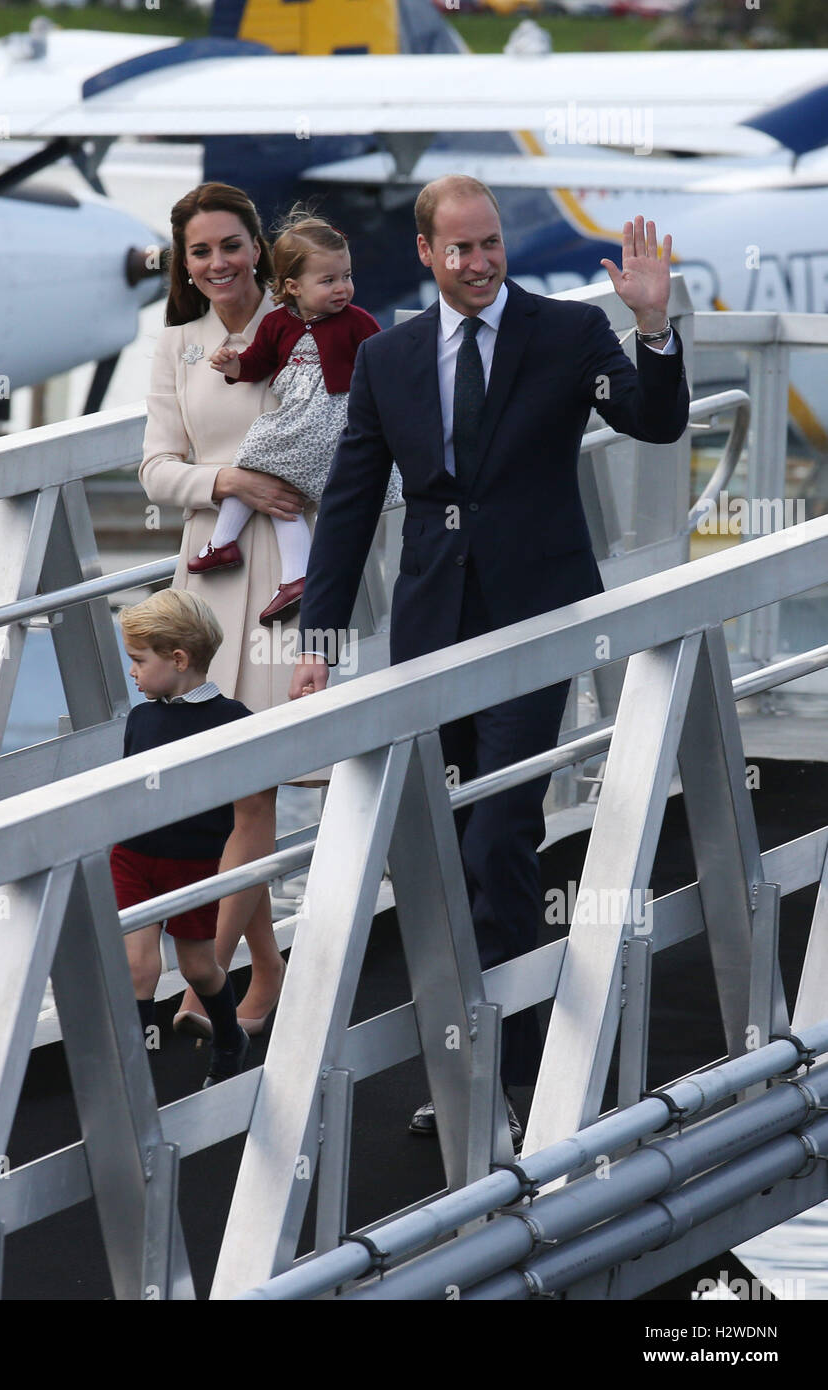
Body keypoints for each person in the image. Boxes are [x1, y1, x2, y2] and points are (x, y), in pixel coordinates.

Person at [290, 176, 689, 1138]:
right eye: (458, 250)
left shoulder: (566, 333)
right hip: (431, 632)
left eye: (491, 245)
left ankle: (504, 1075)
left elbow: (654, 419)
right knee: (434, 848)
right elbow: (348, 504)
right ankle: (480, 1045)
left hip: (537, 619)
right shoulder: (386, 361)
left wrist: (654, 327)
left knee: (497, 833)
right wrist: (317, 643)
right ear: (425, 254)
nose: (478, 264)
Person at [137, 182, 303, 1042]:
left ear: (256, 245)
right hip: (208, 573)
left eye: (231, 245)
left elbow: (347, 431)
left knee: (254, 792)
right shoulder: (175, 342)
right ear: (184, 264)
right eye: (199, 252)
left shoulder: (302, 316)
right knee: (229, 797)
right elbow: (156, 468)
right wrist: (224, 480)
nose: (217, 264)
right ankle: (264, 970)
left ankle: (206, 991)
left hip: (289, 571)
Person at [200, 211, 401, 625]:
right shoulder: (278, 324)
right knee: (275, 489)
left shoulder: (357, 322)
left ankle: (223, 543)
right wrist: (231, 365)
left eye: (346, 276)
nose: (343, 288)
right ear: (293, 287)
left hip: (330, 422)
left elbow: (386, 363)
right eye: (328, 281)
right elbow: (255, 364)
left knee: (256, 456)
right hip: (299, 422)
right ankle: (290, 575)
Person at [111, 590, 251, 1087]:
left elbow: (249, 797)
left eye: (138, 661)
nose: (132, 672)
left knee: (198, 967)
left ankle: (230, 1036)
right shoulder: (142, 717)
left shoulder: (233, 720)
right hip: (132, 856)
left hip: (192, 862)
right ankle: (138, 1081)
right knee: (135, 965)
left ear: (178, 659)